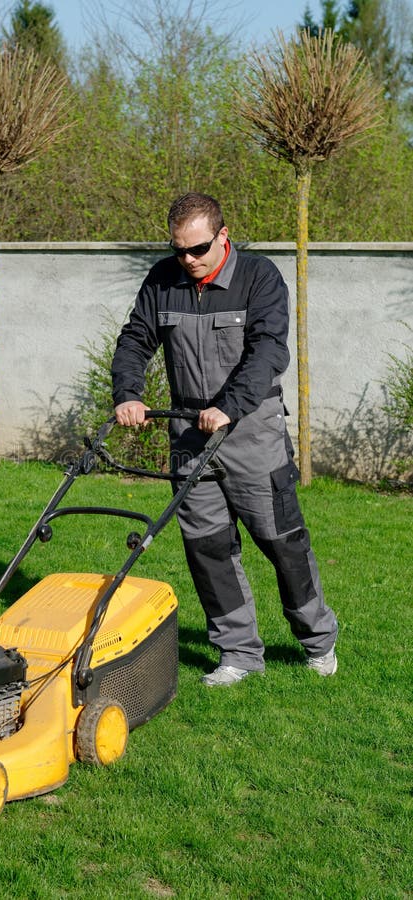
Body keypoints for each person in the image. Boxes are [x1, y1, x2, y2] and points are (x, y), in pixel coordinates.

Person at [112, 192, 338, 686]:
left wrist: (228, 408)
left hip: (253, 434)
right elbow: (135, 339)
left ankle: (318, 640)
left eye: (198, 250)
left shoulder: (259, 278)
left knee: (281, 542)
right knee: (207, 547)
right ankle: (238, 652)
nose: (188, 260)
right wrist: (128, 394)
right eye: (180, 251)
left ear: (223, 235)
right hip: (189, 438)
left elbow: (268, 352)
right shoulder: (163, 280)